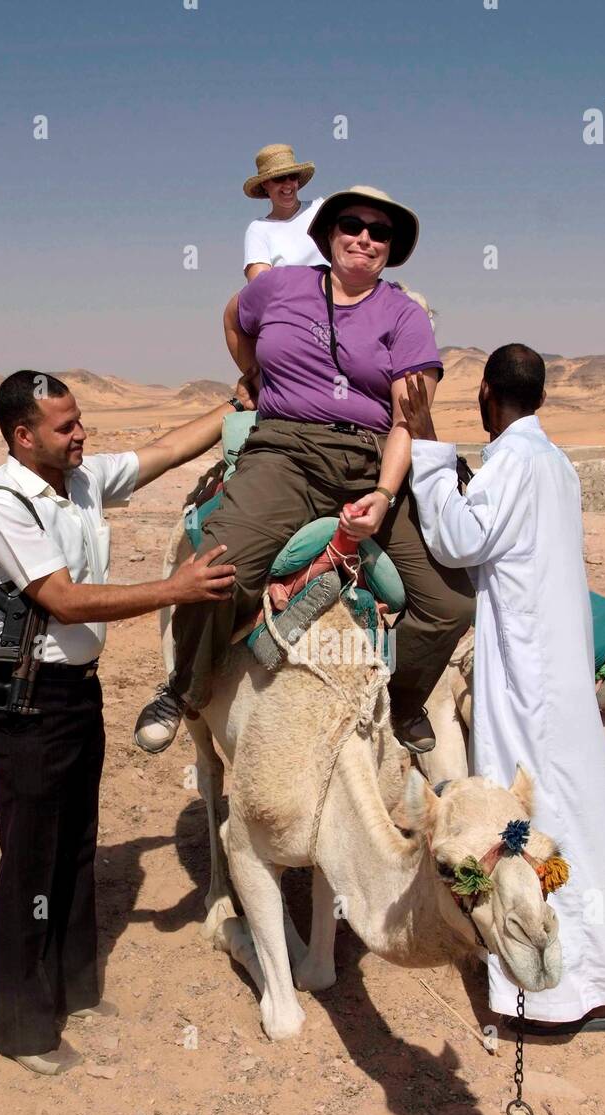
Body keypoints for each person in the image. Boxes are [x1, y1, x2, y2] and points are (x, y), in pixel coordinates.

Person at [134, 186, 474, 755]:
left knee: (451, 605)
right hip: (285, 453)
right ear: (328, 232)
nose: (364, 237)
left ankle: (404, 700)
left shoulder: (404, 315)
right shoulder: (279, 287)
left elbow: (407, 419)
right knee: (215, 569)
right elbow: (234, 316)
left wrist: (386, 494)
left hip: (371, 458)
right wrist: (255, 377)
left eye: (379, 231)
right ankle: (183, 689)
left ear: (391, 248)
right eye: (352, 224)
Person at [0, 371, 244, 1075]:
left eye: (80, 419)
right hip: (25, 700)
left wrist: (234, 406)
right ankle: (22, 1027)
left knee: (75, 846)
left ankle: (74, 987)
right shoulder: (4, 504)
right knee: (31, 858)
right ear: (23, 436)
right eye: (64, 427)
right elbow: (62, 600)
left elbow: (164, 451)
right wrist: (175, 589)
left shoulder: (81, 479)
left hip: (75, 695)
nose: (80, 434)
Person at [402, 347, 605, 1031]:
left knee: (525, 823)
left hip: (525, 677)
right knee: (581, 813)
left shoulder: (513, 462)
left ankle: (550, 994)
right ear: (538, 395)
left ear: (487, 395)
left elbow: (459, 539)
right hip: (559, 674)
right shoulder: (554, 465)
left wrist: (426, 446)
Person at [242, 143, 325, 281]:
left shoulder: (321, 208)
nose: (287, 184)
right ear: (265, 184)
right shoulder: (258, 229)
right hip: (289, 302)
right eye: (279, 178)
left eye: (292, 176)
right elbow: (259, 286)